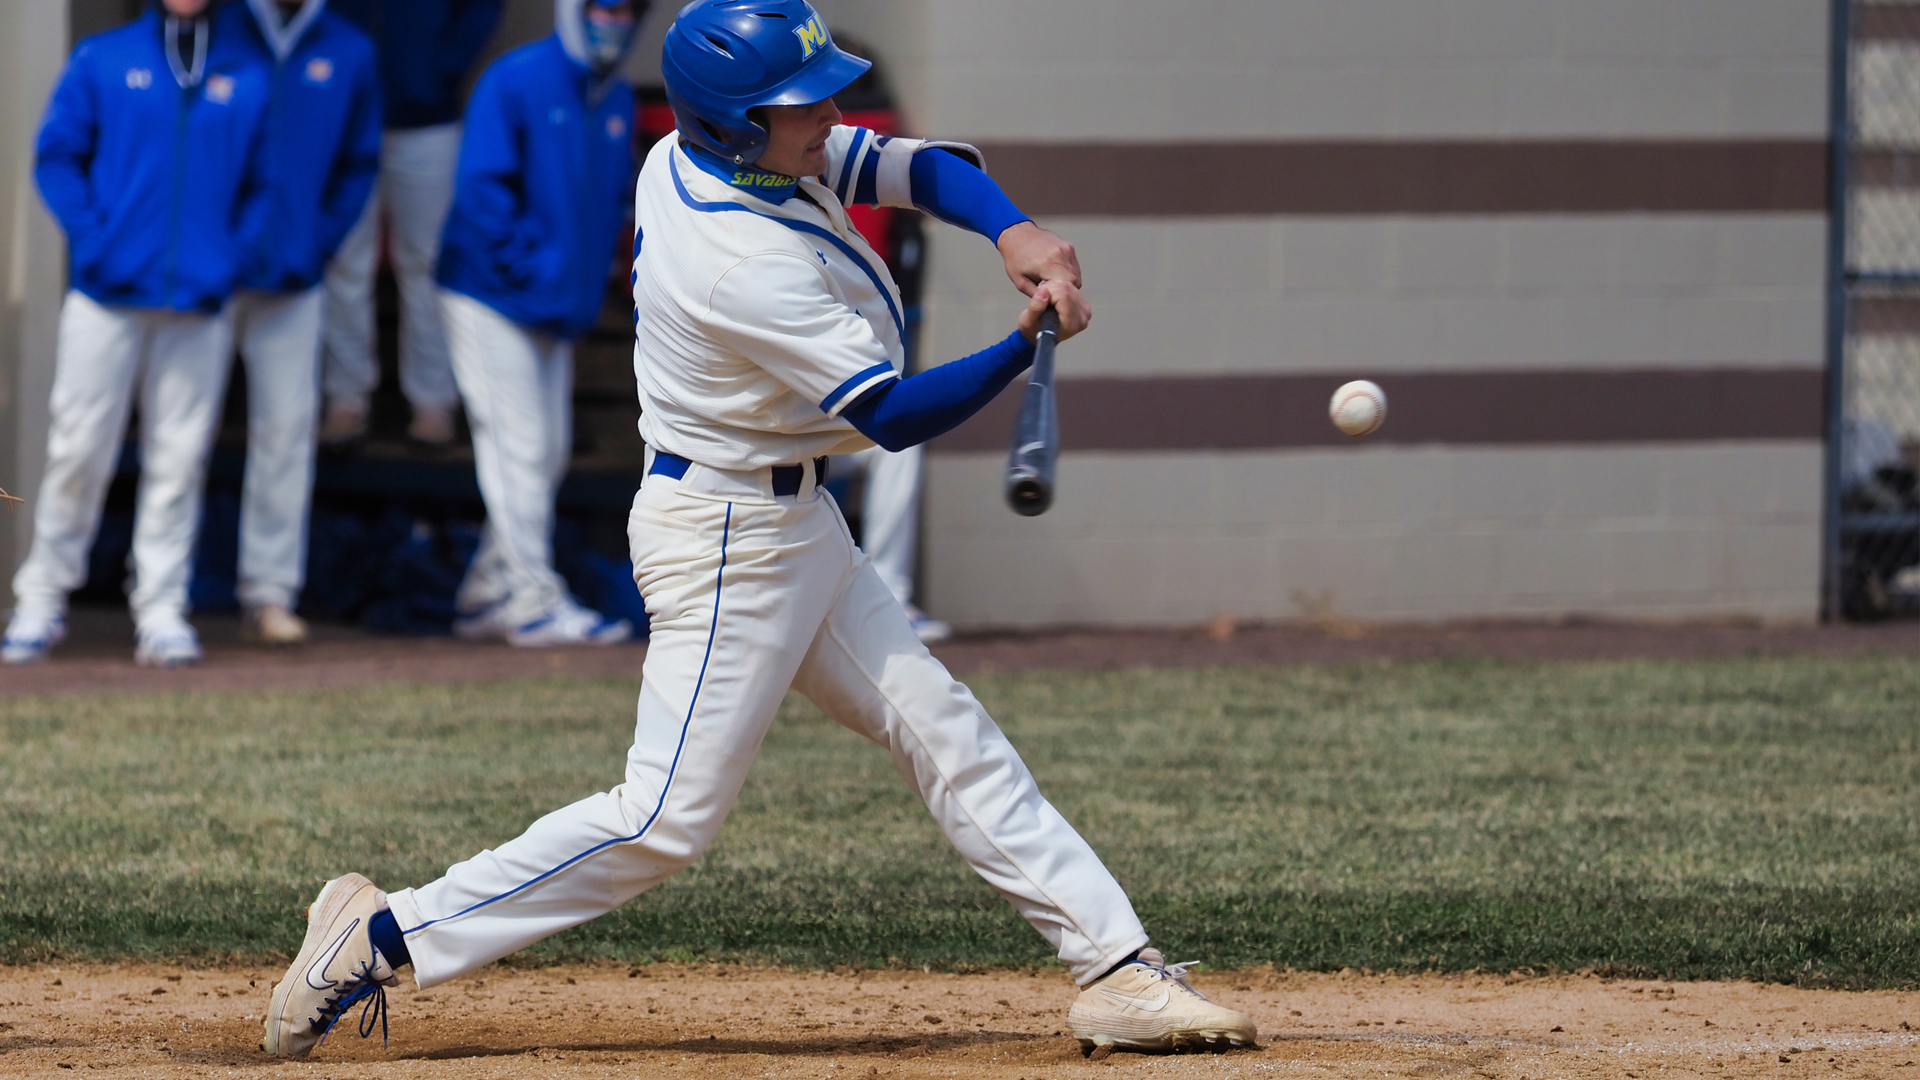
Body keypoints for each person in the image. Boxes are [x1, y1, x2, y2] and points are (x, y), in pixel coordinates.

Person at [258, 0, 1257, 1059]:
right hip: (726, 536)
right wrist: (1022, 346)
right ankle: (375, 935)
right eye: (801, 103)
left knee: (945, 731)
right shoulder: (737, 258)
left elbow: (914, 167)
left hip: (792, 520)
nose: (828, 114)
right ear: (737, 123)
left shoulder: (743, 152)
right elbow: (894, 415)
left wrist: (1011, 227)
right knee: (662, 820)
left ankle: (1116, 969)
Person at [2, 0, 268, 668]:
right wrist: (98, 244)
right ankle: (40, 601)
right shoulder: (104, 57)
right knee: (77, 448)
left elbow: (265, 185)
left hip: (200, 300)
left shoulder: (247, 66)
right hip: (108, 295)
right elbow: (56, 157)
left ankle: (161, 608)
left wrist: (228, 259)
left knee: (180, 459)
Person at [433, 0, 644, 648]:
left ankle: (485, 592)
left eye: (628, 10)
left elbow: (612, 206)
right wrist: (536, 272)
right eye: (603, 6)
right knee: (519, 449)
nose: (614, 20)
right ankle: (530, 600)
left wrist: (573, 285)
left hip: (554, 308)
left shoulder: (617, 101)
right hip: (490, 296)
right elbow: (480, 195)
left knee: (542, 455)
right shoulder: (516, 78)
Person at [213, 0, 382, 646]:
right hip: (212, 276)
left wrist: (320, 240)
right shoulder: (218, 29)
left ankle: (269, 593)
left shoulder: (348, 47)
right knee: (182, 435)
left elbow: (357, 163)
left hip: (293, 275)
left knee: (284, 435)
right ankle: (161, 597)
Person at [319, 0, 502, 448]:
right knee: (343, 259)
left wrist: (441, 67)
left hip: (427, 116)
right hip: (342, 107)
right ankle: (345, 398)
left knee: (428, 260)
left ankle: (433, 401)